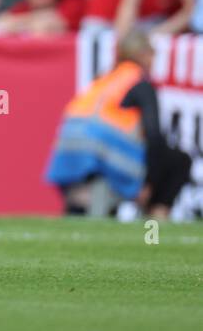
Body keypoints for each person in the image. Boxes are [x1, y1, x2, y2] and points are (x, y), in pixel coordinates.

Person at [44, 30, 192, 219]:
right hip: (99, 157)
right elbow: (154, 137)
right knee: (178, 161)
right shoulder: (140, 84)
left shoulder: (104, 78)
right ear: (142, 55)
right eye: (152, 54)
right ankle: (156, 221)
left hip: (66, 155)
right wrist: (148, 183)